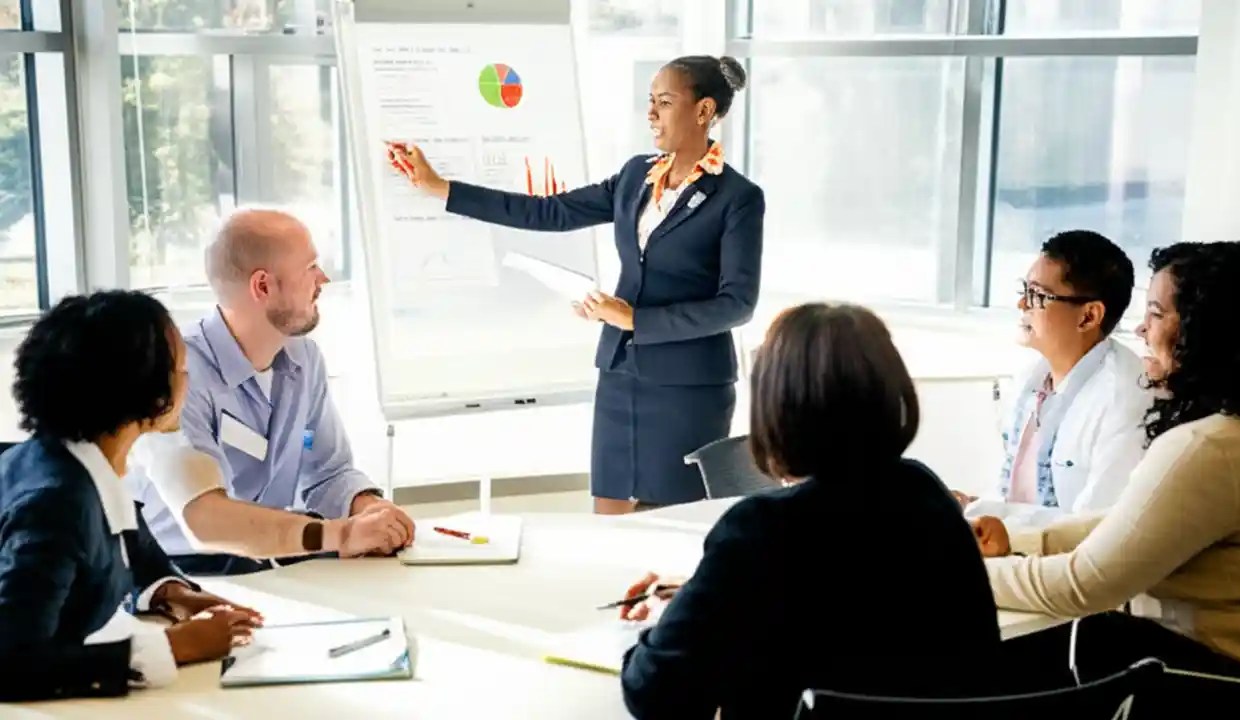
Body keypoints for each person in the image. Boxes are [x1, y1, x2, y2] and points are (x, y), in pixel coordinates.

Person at [389, 55, 765, 514]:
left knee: (671, 522)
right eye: (650, 102)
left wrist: (634, 318)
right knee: (608, 516)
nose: (650, 114)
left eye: (664, 102)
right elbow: (550, 211)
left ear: (704, 111)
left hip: (687, 387)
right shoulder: (635, 176)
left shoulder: (738, 197)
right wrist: (442, 188)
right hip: (620, 374)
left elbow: (737, 305)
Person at [615, 303, 1002, 719]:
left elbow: (656, 696)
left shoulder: (758, 531)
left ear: (774, 406)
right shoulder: (924, 494)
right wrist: (704, 594)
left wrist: (675, 620)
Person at [974, 241, 1240, 699]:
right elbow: (1133, 525)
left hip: (1212, 683)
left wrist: (955, 574)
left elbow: (1083, 585)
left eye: (1156, 313)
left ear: (1206, 331)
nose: (1139, 328)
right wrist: (1019, 540)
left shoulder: (1212, 447)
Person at [0, 291, 262, 701]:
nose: (188, 382)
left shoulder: (83, 460)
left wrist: (177, 596)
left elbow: (132, 549)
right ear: (139, 384)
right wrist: (177, 647)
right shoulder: (54, 504)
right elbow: (12, 664)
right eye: (181, 370)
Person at [129, 209, 416, 575]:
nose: (323, 279)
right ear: (263, 286)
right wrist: (341, 535)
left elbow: (327, 472)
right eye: (310, 267)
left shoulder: (304, 358)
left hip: (276, 564)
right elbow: (206, 519)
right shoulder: (177, 373)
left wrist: (368, 507)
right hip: (188, 575)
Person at [958, 230, 1152, 525]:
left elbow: (1092, 525)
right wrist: (974, 507)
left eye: (1037, 295)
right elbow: (1009, 493)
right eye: (1024, 290)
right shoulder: (1029, 380)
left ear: (1088, 316)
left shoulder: (1126, 398)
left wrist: (986, 514)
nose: (1022, 305)